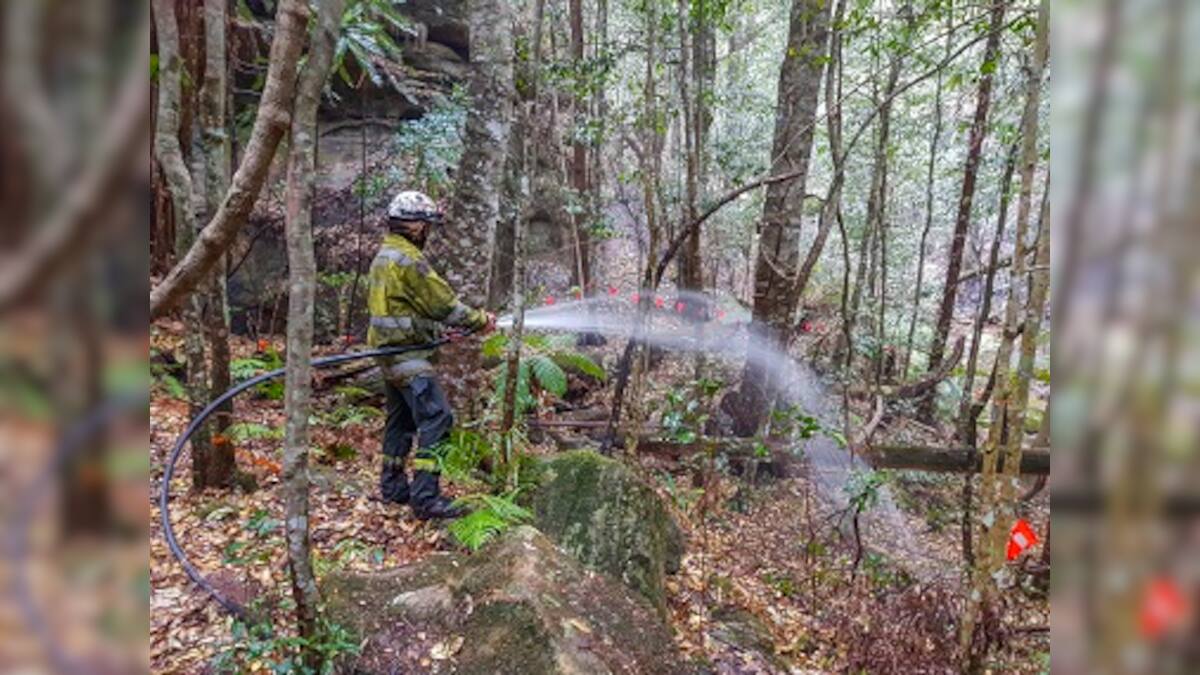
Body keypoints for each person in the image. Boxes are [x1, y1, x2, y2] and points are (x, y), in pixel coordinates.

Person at [366, 190, 495, 520]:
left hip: (388, 352)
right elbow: (442, 303)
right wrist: (479, 320)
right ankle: (426, 498)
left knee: (402, 420)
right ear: (414, 226)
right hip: (407, 356)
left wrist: (436, 334)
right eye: (426, 225)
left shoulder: (384, 255)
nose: (429, 231)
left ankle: (394, 488)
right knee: (437, 417)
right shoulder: (409, 259)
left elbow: (405, 309)